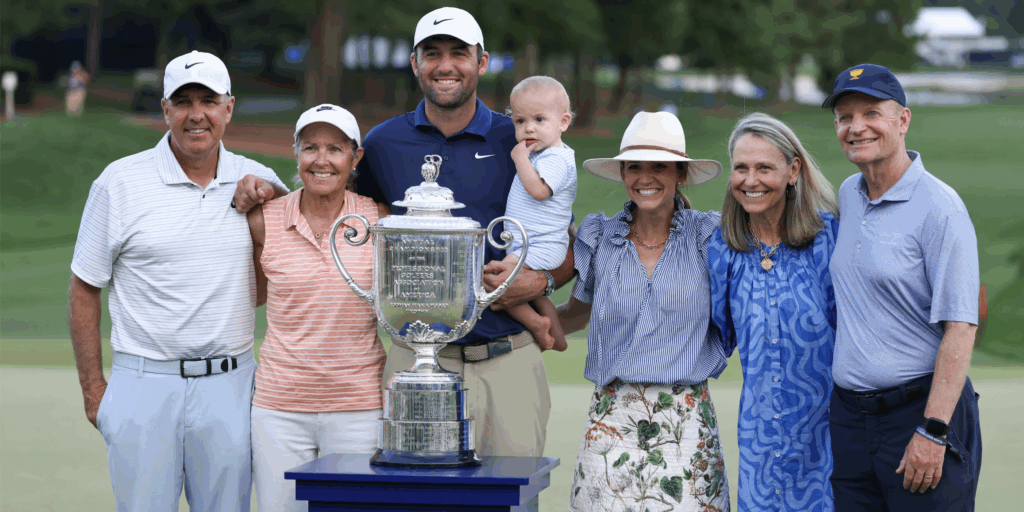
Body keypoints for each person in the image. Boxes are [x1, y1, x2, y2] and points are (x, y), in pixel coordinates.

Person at [67, 50, 288, 511]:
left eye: (208, 100)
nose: (196, 115)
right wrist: (96, 394)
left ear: (229, 108)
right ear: (165, 109)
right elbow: (85, 287)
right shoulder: (119, 183)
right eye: (182, 101)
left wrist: (277, 199)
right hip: (143, 385)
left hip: (231, 384)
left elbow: (279, 276)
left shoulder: (259, 181)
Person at [823, 64, 982, 511]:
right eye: (844, 117)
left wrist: (933, 430)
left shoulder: (940, 208)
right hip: (852, 422)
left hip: (920, 416)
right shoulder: (850, 193)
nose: (856, 127)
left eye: (871, 113)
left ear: (903, 121)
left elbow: (961, 327)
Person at [558, 111, 731, 511]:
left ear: (680, 174)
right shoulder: (600, 236)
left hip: (686, 422)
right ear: (621, 173)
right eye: (635, 166)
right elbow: (576, 313)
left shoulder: (710, 237)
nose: (645, 177)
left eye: (660, 166)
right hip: (611, 419)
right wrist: (518, 324)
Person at [248, 104, 388, 511]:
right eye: (310, 148)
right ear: (296, 153)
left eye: (335, 149)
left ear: (355, 157)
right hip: (279, 408)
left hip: (359, 406)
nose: (321, 160)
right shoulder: (264, 221)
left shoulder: (378, 219)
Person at [708, 112, 839, 511]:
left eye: (764, 167)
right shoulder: (722, 250)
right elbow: (716, 339)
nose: (751, 180)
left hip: (829, 443)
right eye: (741, 168)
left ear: (793, 170)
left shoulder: (828, 240)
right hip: (759, 448)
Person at [502, 75, 577, 351]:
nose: (528, 129)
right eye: (520, 122)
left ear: (563, 123)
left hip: (541, 244)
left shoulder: (557, 158)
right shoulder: (542, 156)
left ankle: (537, 325)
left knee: (494, 283)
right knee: (529, 291)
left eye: (539, 120)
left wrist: (519, 158)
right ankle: (557, 337)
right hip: (529, 242)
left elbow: (539, 191)